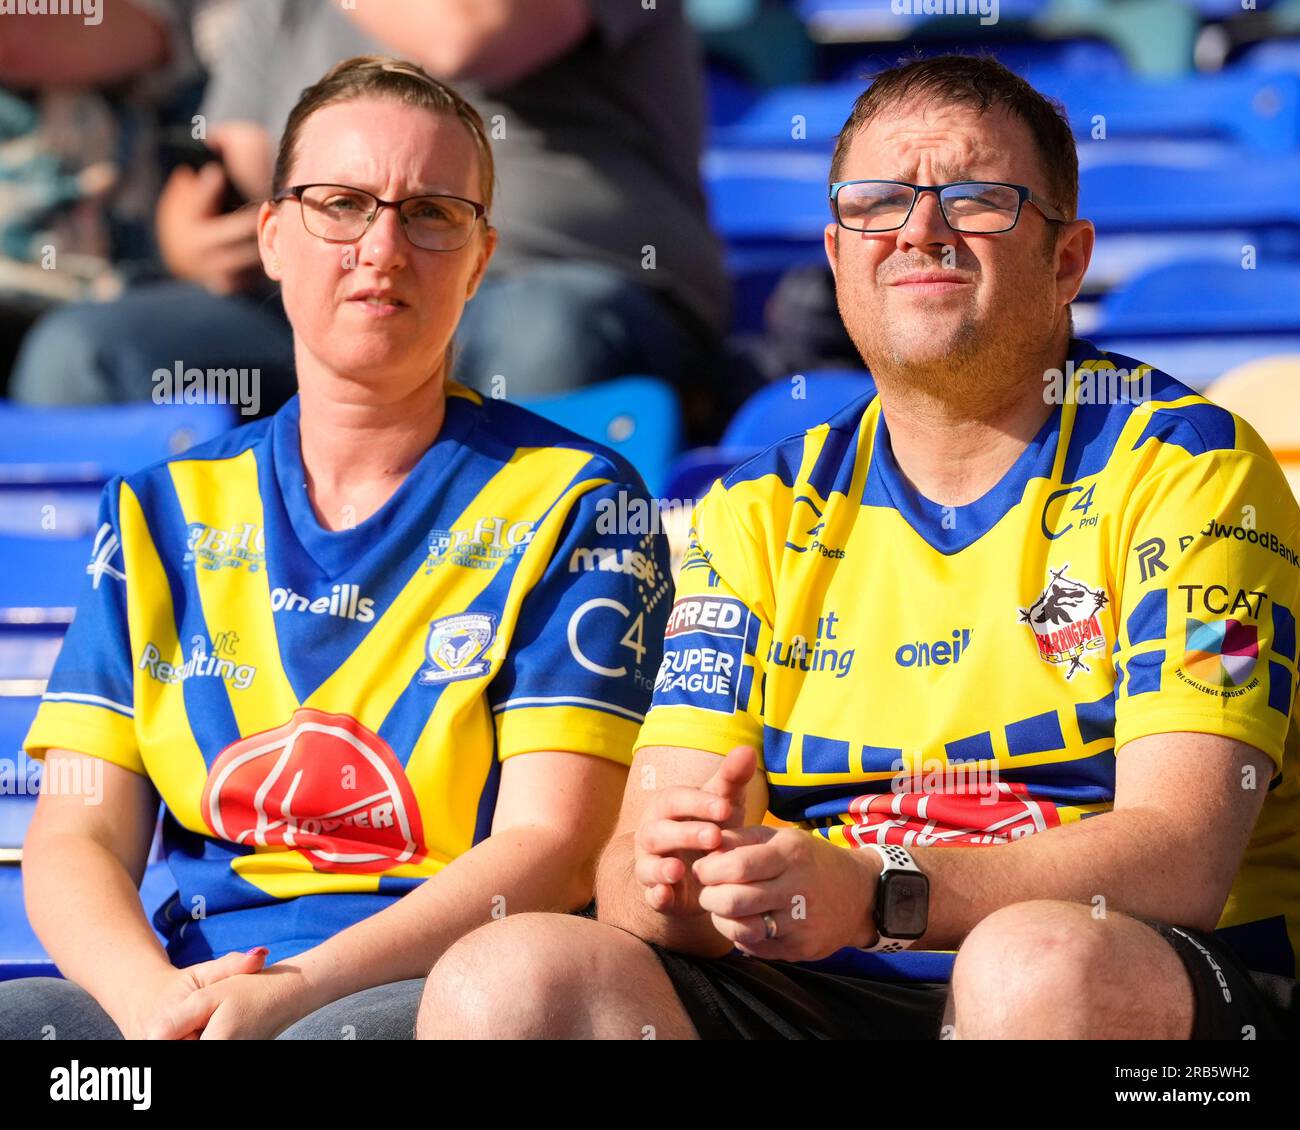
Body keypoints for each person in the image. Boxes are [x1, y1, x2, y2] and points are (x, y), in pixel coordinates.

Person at [415, 54, 1300, 1041]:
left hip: (1145, 985)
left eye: (975, 199)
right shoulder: (755, 509)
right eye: (878, 202)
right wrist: (679, 879)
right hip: (822, 984)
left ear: (1066, 261)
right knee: (511, 974)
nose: (919, 230)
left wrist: (881, 890)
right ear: (838, 257)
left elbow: (1184, 855)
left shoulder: (1192, 472)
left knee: (1031, 965)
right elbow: (630, 878)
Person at [0, 56, 670, 1041]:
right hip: (190, 985)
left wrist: (298, 989)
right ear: (272, 236)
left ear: (481, 257)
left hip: (433, 981)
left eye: (431, 213)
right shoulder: (159, 509)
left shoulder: (575, 502)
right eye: (342, 204)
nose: (382, 246)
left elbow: (555, 847)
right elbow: (77, 835)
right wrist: (154, 1007)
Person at [10, 0, 732, 429]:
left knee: (539, 337)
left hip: (554, 285)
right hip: (336, 300)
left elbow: (472, 31)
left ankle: (497, 619)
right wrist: (190, 240)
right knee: (82, 358)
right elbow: (246, 163)